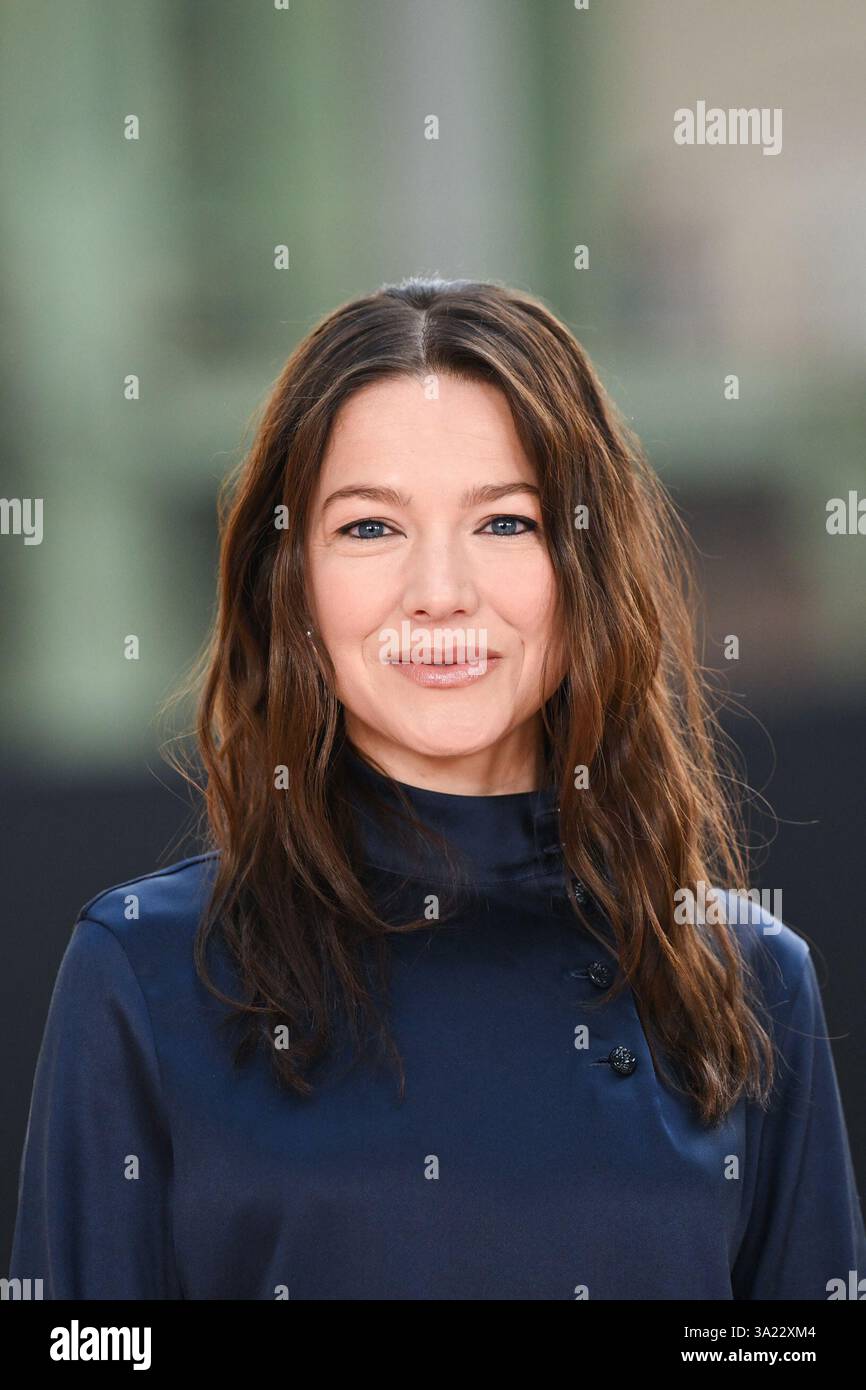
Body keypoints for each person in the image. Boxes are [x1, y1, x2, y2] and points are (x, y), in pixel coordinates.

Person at [10, 277, 866, 1300]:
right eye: (370, 528)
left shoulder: (746, 979)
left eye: (503, 523)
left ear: (582, 562)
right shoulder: (144, 972)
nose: (439, 590)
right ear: (289, 583)